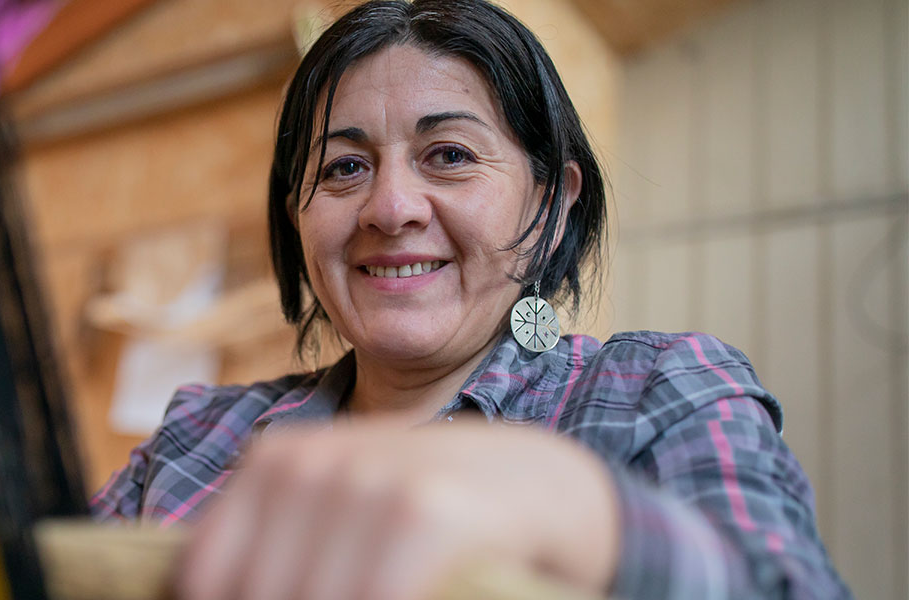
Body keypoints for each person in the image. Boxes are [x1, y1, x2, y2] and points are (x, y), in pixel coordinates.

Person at [88, 1, 849, 598]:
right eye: (345, 167)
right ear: (297, 216)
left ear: (551, 204)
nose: (390, 207)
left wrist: (574, 508)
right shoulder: (192, 437)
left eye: (447, 155)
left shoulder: (663, 392)